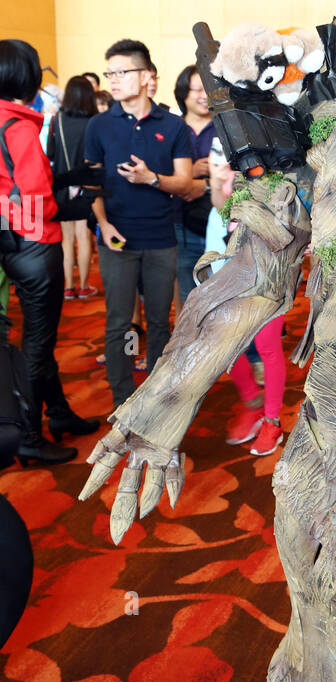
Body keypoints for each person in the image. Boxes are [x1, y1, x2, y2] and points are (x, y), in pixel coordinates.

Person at [0, 38, 98, 462]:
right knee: (39, 346)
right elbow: (37, 199)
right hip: (36, 246)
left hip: (11, 241)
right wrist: (77, 204)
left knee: (40, 338)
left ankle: (58, 415)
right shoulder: (19, 127)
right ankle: (27, 436)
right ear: (27, 75)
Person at [86, 39, 193, 410]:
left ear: (146, 76)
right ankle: (123, 401)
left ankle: (157, 399)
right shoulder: (98, 126)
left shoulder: (173, 126)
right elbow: (91, 185)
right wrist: (103, 224)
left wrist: (151, 179)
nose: (113, 80)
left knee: (160, 322)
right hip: (116, 240)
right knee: (120, 325)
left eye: (121, 72)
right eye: (109, 73)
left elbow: (184, 182)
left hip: (161, 238)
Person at [207, 149, 286, 456]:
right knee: (226, 348)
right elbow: (220, 220)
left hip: (268, 283)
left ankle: (272, 420)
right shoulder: (222, 205)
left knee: (267, 348)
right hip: (227, 284)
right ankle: (252, 403)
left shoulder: (275, 187)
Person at [47, 75, 98, 299]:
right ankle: (84, 286)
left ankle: (68, 287)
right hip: (86, 185)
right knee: (84, 237)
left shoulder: (57, 120)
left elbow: (50, 153)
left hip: (62, 186)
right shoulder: (95, 122)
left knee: (67, 239)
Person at [173, 66, 215, 304]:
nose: (204, 95)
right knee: (187, 296)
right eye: (197, 89)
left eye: (207, 89)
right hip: (180, 222)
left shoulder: (225, 127)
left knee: (220, 295)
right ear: (182, 94)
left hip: (220, 222)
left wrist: (208, 180)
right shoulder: (172, 128)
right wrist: (190, 171)